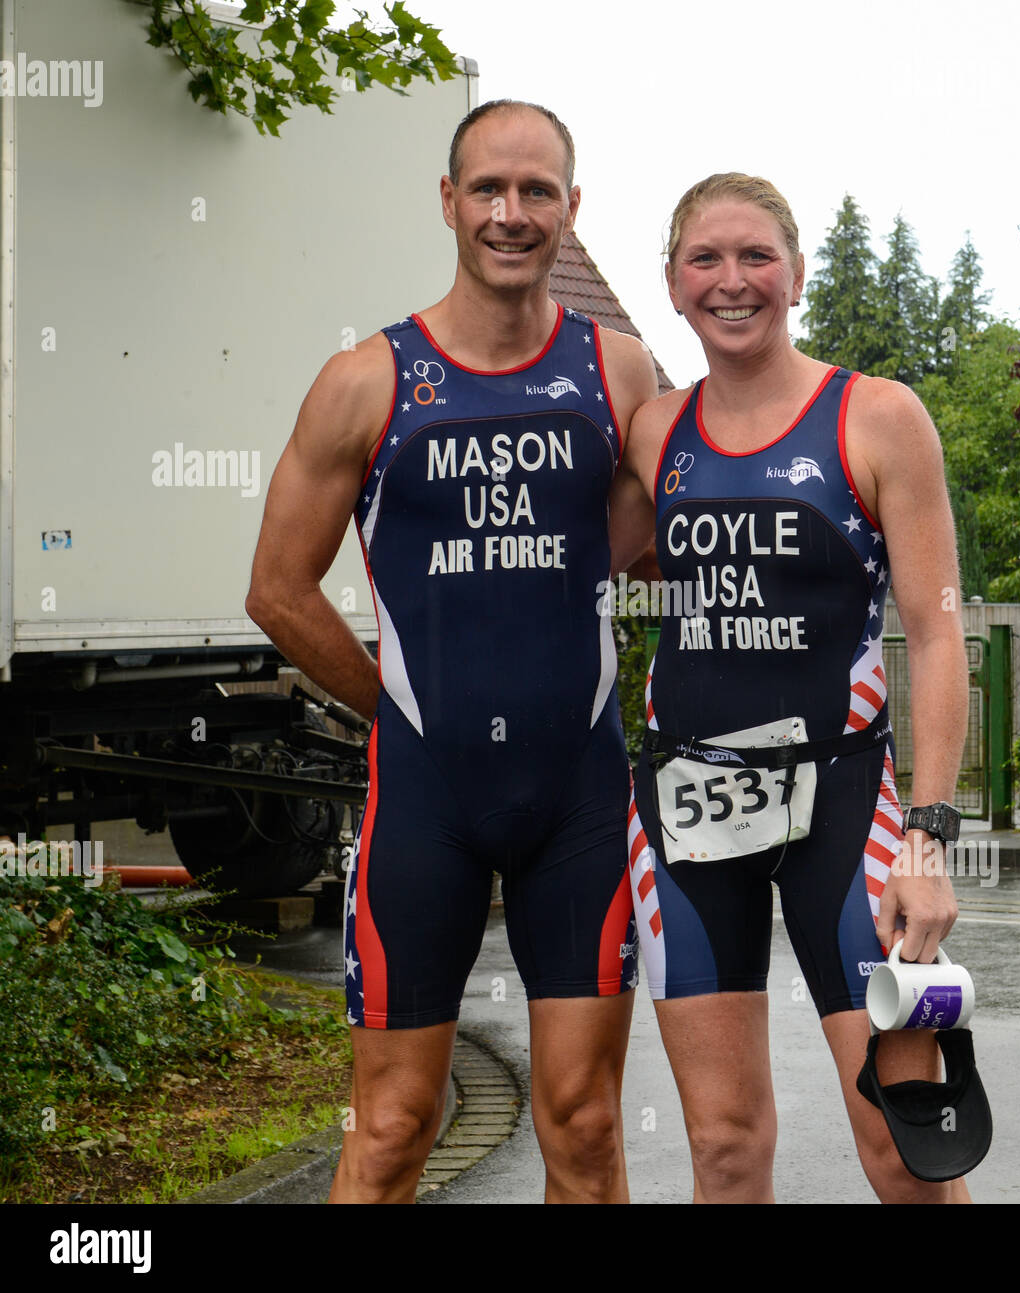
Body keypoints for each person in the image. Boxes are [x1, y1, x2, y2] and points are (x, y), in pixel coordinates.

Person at [245, 100, 659, 1204]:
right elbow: (277, 591)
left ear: (571, 210)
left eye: (537, 192)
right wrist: (397, 716)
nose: (511, 214)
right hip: (424, 796)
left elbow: (670, 537)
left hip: (578, 796)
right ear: (448, 201)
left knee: (581, 1123)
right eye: (488, 188)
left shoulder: (620, 375)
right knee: (390, 1126)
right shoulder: (364, 383)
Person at [613, 173, 973, 1203]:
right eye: (706, 260)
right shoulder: (653, 433)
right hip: (686, 813)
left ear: (797, 273)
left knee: (907, 1150)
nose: (733, 282)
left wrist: (928, 841)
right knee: (725, 1151)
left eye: (756, 256)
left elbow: (936, 633)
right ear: (674, 286)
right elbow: (593, 560)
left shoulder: (878, 418)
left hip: (849, 813)